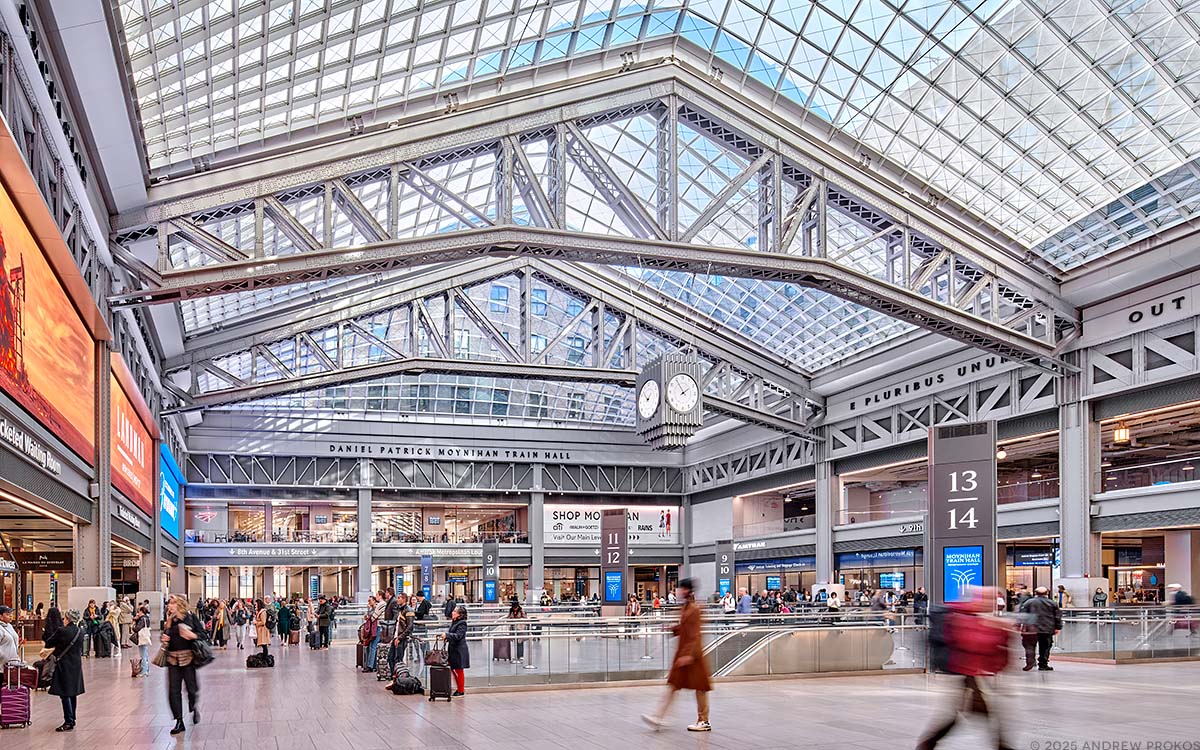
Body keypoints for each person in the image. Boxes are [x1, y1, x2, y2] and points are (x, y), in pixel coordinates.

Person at [917, 589, 1014, 750]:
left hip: (970, 673)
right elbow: (973, 643)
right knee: (978, 712)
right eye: (990, 599)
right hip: (964, 672)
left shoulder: (975, 617)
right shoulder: (963, 617)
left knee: (973, 712)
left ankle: (929, 743)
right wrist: (997, 630)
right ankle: (929, 743)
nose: (993, 603)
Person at [641, 579, 712, 732]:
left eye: (681, 589)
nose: (678, 591)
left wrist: (688, 655)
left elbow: (695, 635)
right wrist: (673, 629)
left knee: (699, 687)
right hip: (685, 655)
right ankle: (659, 716)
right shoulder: (686, 607)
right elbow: (685, 628)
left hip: (692, 657)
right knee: (674, 685)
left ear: (687, 590)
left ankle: (703, 720)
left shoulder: (694, 609)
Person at [162, 596, 203, 735]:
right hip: (172, 659)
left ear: (180, 605)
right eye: (169, 603)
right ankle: (179, 721)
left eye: (172, 603)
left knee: (191, 689)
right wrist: (164, 637)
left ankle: (193, 705)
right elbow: (165, 636)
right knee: (173, 691)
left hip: (188, 659)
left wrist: (192, 635)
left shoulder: (191, 618)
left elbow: (203, 634)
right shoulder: (170, 620)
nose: (169, 606)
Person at [42, 608, 85, 732]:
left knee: (64, 693)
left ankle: (68, 721)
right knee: (72, 692)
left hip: (64, 664)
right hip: (76, 665)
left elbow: (48, 643)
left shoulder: (62, 631)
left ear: (68, 618)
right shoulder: (80, 631)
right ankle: (72, 718)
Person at [1018, 586, 1063, 672]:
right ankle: (1043, 664)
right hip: (1047, 628)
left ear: (1035, 593)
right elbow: (1057, 616)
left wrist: (1019, 625)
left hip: (1031, 628)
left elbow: (1022, 614)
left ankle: (1030, 662)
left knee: (1030, 646)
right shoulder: (1052, 603)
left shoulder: (1028, 602)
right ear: (1047, 593)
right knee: (1045, 647)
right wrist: (1058, 627)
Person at [445, 604, 470, 696]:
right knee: (454, 669)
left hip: (459, 650)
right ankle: (459, 688)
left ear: (460, 614)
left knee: (459, 670)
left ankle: (461, 690)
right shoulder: (454, 622)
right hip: (453, 649)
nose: (452, 612)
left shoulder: (462, 623)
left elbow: (459, 636)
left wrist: (447, 636)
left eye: (455, 611)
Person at [134, 605, 152, 677]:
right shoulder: (147, 618)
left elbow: (137, 628)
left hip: (142, 637)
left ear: (141, 612)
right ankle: (146, 670)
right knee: (145, 654)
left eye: (139, 612)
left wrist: (134, 623)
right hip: (146, 636)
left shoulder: (142, 619)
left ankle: (144, 671)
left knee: (143, 655)